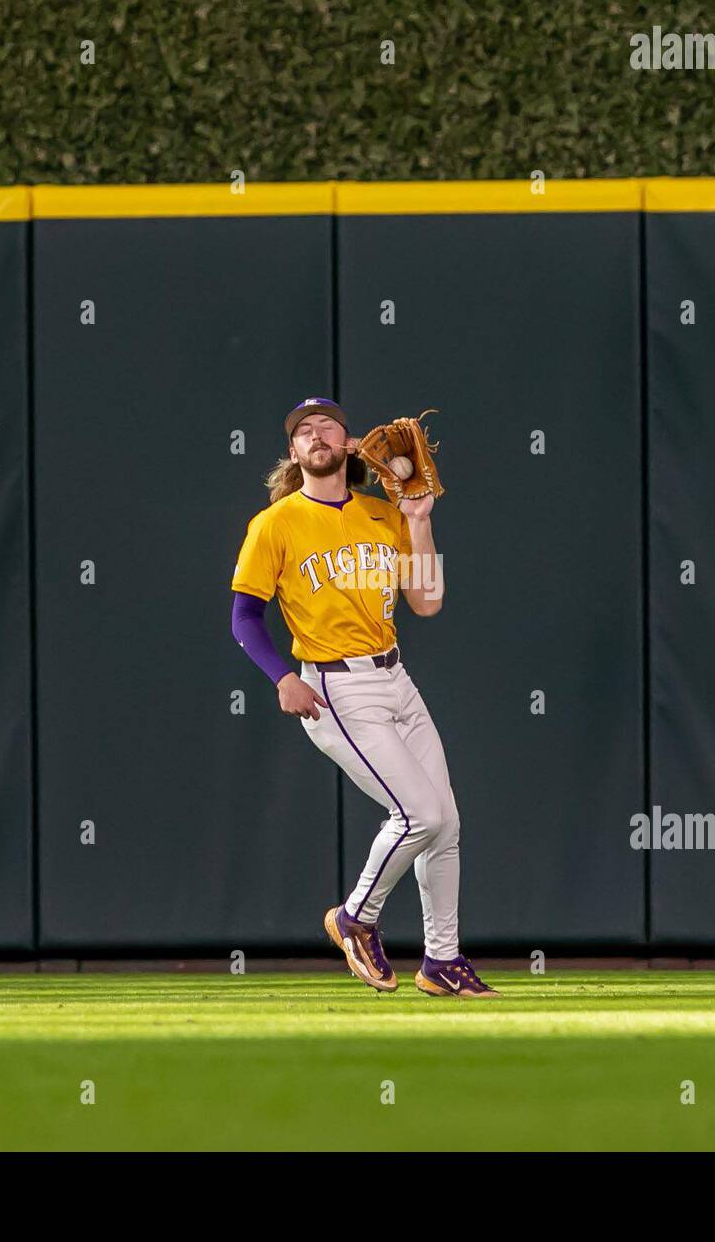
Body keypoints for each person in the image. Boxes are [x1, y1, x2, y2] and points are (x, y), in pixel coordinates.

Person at [229, 396, 499, 998]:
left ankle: (443, 960)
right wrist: (281, 676)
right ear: (294, 453)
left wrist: (420, 517)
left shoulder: (384, 514)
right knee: (419, 815)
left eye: (327, 425)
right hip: (333, 688)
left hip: (397, 678)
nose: (316, 434)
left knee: (446, 822)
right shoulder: (275, 523)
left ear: (349, 446)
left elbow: (426, 602)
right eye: (303, 431)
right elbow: (244, 616)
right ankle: (356, 916)